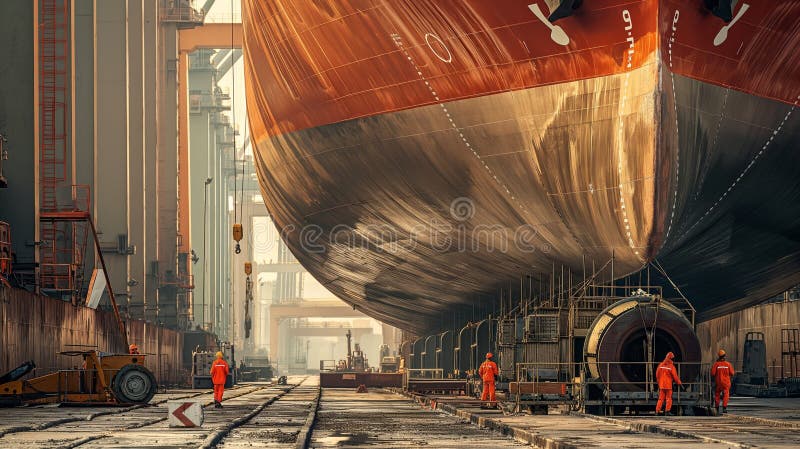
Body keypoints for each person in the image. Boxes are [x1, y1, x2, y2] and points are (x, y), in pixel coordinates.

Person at [655, 351, 682, 416]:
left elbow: (657, 375)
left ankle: (657, 411)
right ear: (671, 358)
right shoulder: (671, 367)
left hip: (661, 385)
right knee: (668, 398)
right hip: (668, 385)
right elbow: (675, 376)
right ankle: (667, 411)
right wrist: (679, 383)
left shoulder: (660, 365)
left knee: (660, 399)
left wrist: (659, 382)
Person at [711, 349, 734, 414]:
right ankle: (724, 408)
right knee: (726, 394)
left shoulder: (716, 364)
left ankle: (717, 408)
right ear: (724, 356)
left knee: (717, 394)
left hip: (718, 382)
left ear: (719, 356)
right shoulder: (728, 364)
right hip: (726, 383)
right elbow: (732, 373)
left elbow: (713, 373)